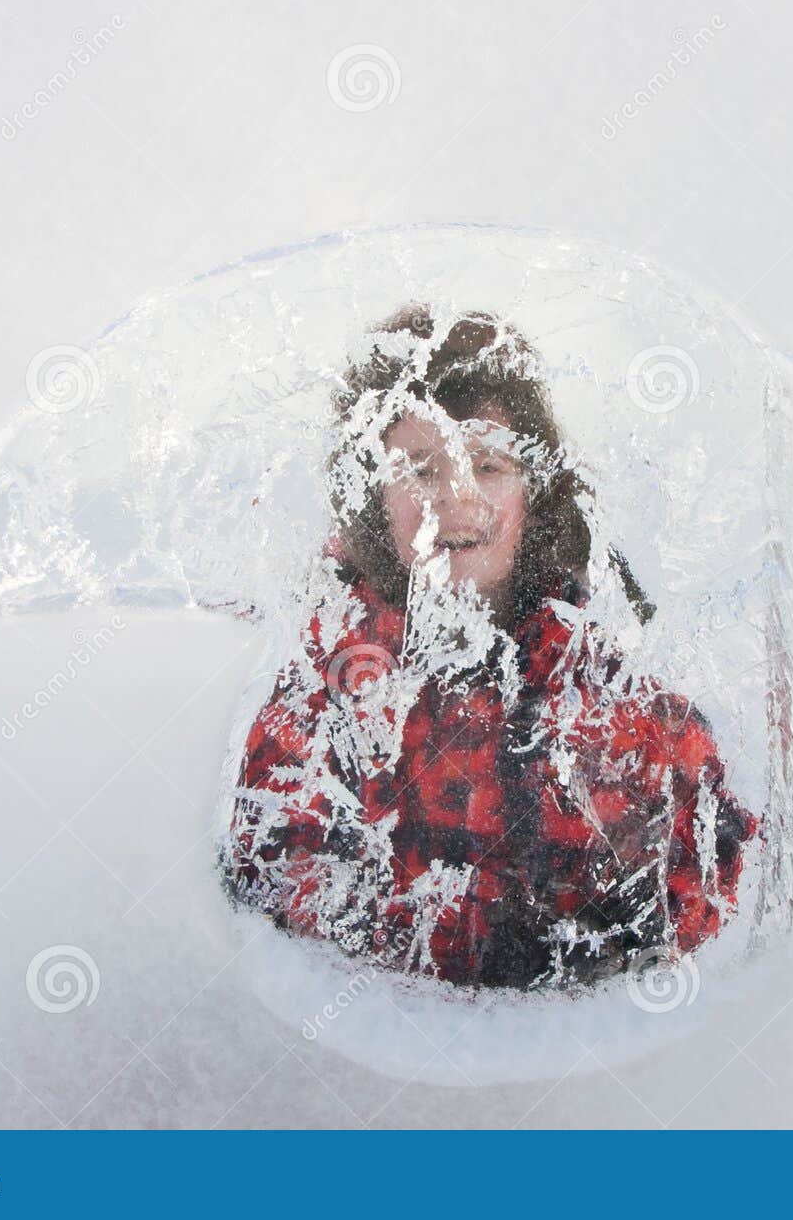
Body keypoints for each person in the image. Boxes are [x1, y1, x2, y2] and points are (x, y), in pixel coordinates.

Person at [223, 306, 756, 988]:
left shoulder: (610, 692)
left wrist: (595, 961)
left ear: (535, 490)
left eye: (488, 464)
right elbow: (273, 879)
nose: (458, 498)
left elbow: (708, 878)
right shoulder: (319, 681)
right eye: (420, 469)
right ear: (372, 496)